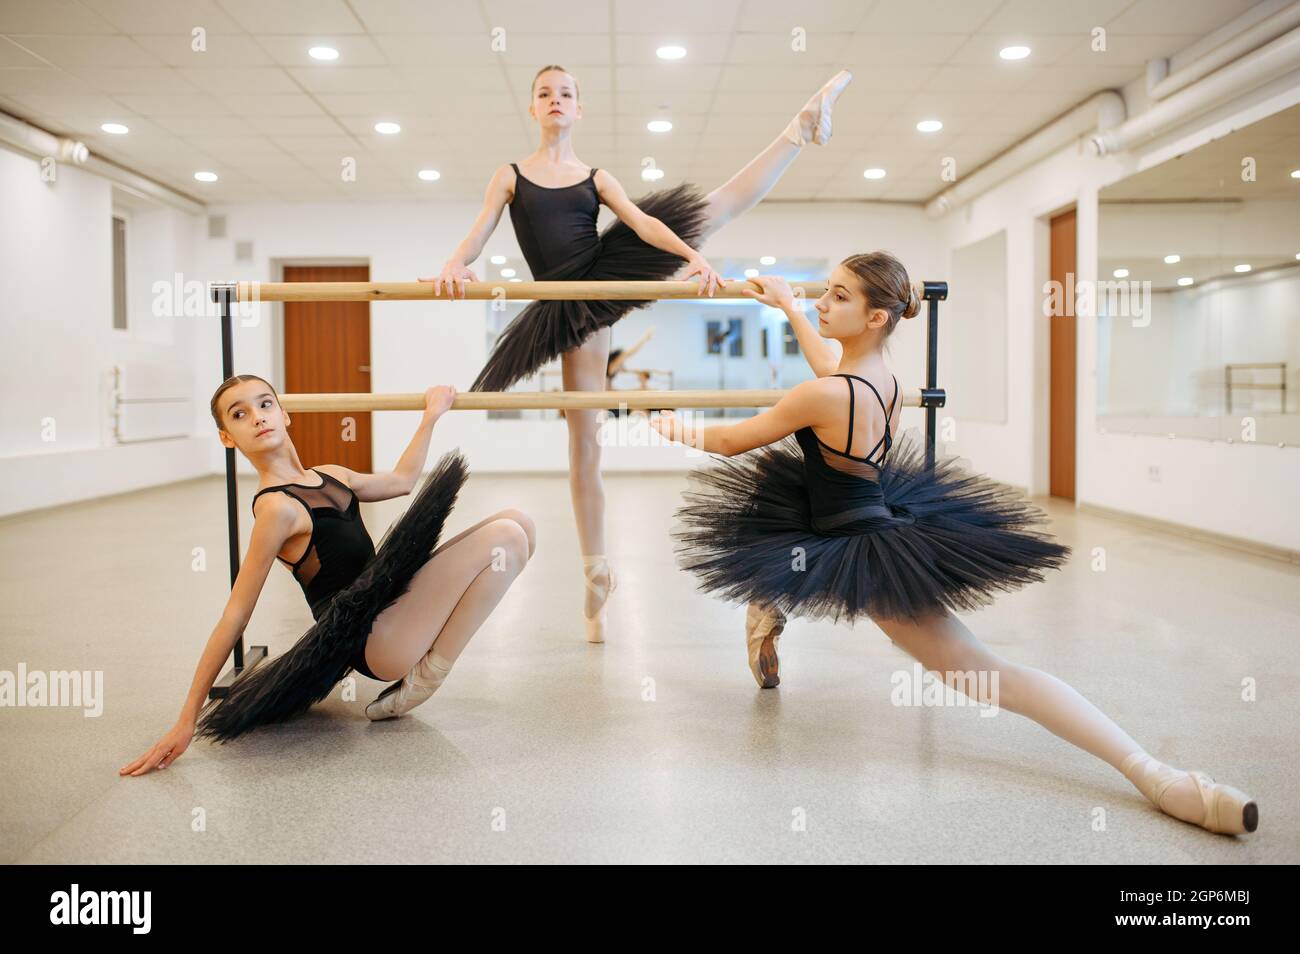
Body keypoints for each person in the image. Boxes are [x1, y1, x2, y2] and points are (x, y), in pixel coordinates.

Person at [649, 254, 1258, 836]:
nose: (822, 303)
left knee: (978, 672)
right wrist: (788, 307)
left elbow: (732, 441)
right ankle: (770, 597)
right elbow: (829, 376)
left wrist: (667, 423)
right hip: (846, 517)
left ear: (875, 316)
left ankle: (1155, 775)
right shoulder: (880, 381)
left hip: (859, 536)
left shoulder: (826, 394)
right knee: (779, 522)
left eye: (838, 296)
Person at [422, 63, 853, 642]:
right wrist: (457, 262)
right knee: (585, 438)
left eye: (566, 93)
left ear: (579, 109)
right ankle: (595, 571)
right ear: (533, 109)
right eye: (545, 93)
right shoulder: (510, 175)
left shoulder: (595, 177)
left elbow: (644, 223)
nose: (555, 100)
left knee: (709, 210)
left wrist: (694, 258)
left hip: (602, 273)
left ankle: (796, 132)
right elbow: (481, 229)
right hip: (564, 300)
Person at [119, 375, 535, 774]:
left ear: (285, 415)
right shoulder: (275, 510)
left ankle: (423, 668)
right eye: (240, 414)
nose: (258, 416)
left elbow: (404, 481)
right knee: (507, 538)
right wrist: (185, 719)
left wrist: (430, 414)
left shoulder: (332, 475)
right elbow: (235, 615)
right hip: (374, 641)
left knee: (519, 523)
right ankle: (424, 678)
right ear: (227, 437)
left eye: (265, 404)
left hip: (393, 609)